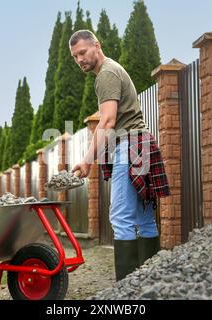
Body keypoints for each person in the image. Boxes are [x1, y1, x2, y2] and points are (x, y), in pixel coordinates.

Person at [69, 30, 171, 281]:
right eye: (75, 56)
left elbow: (107, 121)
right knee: (142, 216)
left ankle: (125, 288)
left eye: (82, 52)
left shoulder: (106, 74)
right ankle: (150, 281)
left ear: (96, 45)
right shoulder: (111, 70)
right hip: (140, 144)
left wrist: (87, 159)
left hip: (129, 144)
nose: (79, 59)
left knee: (121, 215)